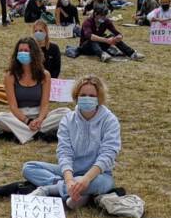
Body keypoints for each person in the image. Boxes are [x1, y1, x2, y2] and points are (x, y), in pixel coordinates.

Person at [22, 75, 120, 209]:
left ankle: (49, 190)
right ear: (76, 96)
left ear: (99, 98)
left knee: (102, 183)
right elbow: (64, 152)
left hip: (98, 174)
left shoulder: (110, 120)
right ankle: (75, 191)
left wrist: (86, 179)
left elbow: (108, 155)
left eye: (92, 95)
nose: (87, 98)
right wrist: (68, 180)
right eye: (83, 94)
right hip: (71, 171)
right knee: (29, 167)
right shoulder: (67, 120)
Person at [0, 38, 66, 144]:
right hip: (20, 117)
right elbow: (13, 106)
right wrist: (27, 121)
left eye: (26, 51)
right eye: (20, 51)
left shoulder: (45, 75)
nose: (23, 53)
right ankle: (37, 132)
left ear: (34, 53)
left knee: (66, 113)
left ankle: (26, 133)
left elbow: (45, 104)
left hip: (39, 115)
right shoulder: (10, 76)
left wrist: (40, 119)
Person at [78, 3, 144, 63]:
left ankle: (131, 54)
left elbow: (116, 32)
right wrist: (106, 40)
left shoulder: (106, 21)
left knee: (113, 36)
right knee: (92, 40)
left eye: (105, 16)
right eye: (102, 16)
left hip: (99, 46)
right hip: (86, 48)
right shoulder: (87, 22)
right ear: (95, 14)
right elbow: (90, 36)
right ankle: (102, 55)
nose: (103, 18)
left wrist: (119, 36)